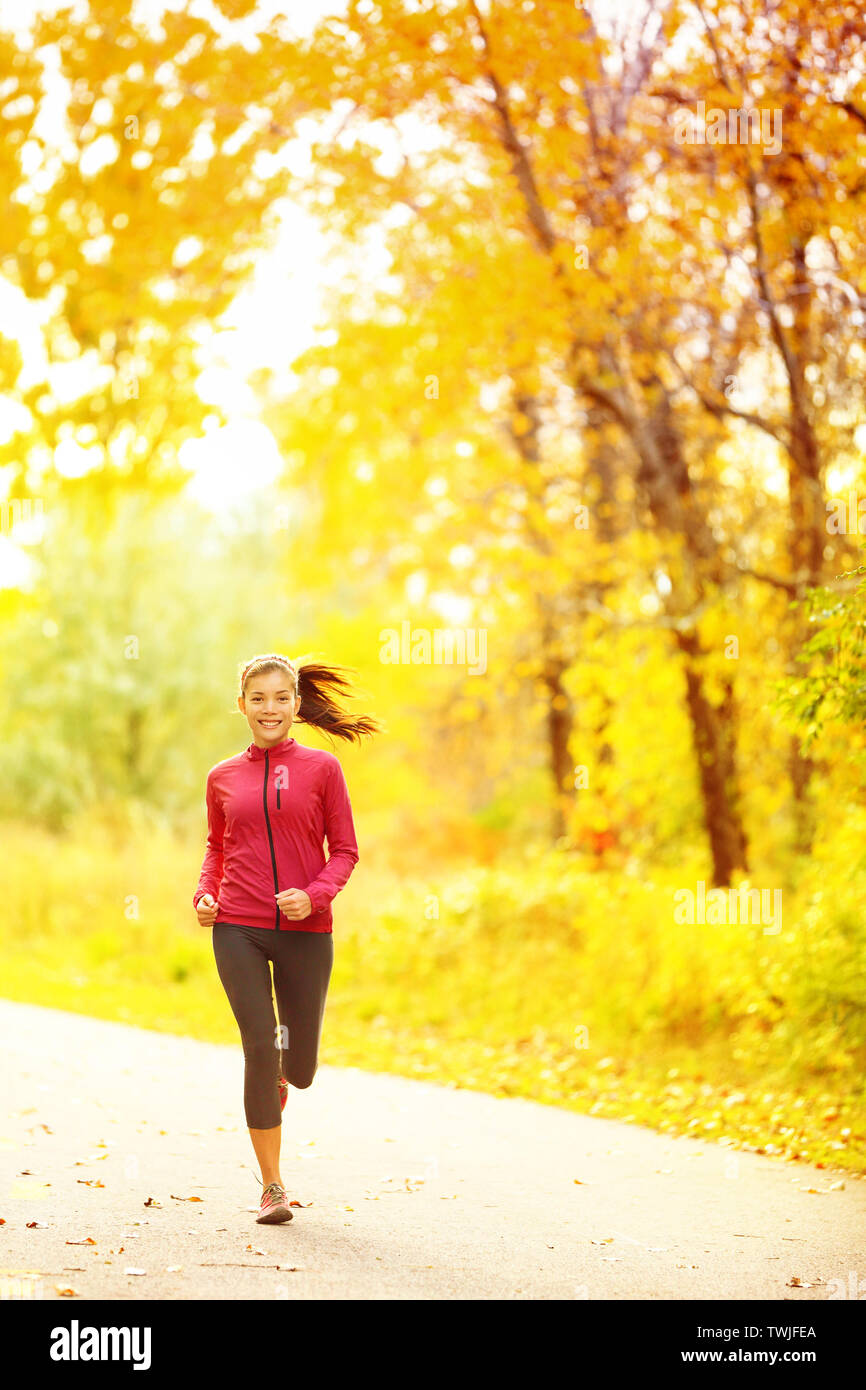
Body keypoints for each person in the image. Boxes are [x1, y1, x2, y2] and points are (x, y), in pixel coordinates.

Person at [193, 653, 380, 1224]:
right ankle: (272, 1186)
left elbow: (345, 851)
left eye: (280, 698)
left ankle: (285, 1072)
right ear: (242, 705)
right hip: (238, 928)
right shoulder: (222, 776)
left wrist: (314, 895)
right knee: (258, 1045)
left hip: (305, 931)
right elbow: (216, 848)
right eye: (258, 699)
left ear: (297, 705)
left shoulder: (323, 770)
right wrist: (205, 895)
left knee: (297, 1067)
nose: (269, 709)